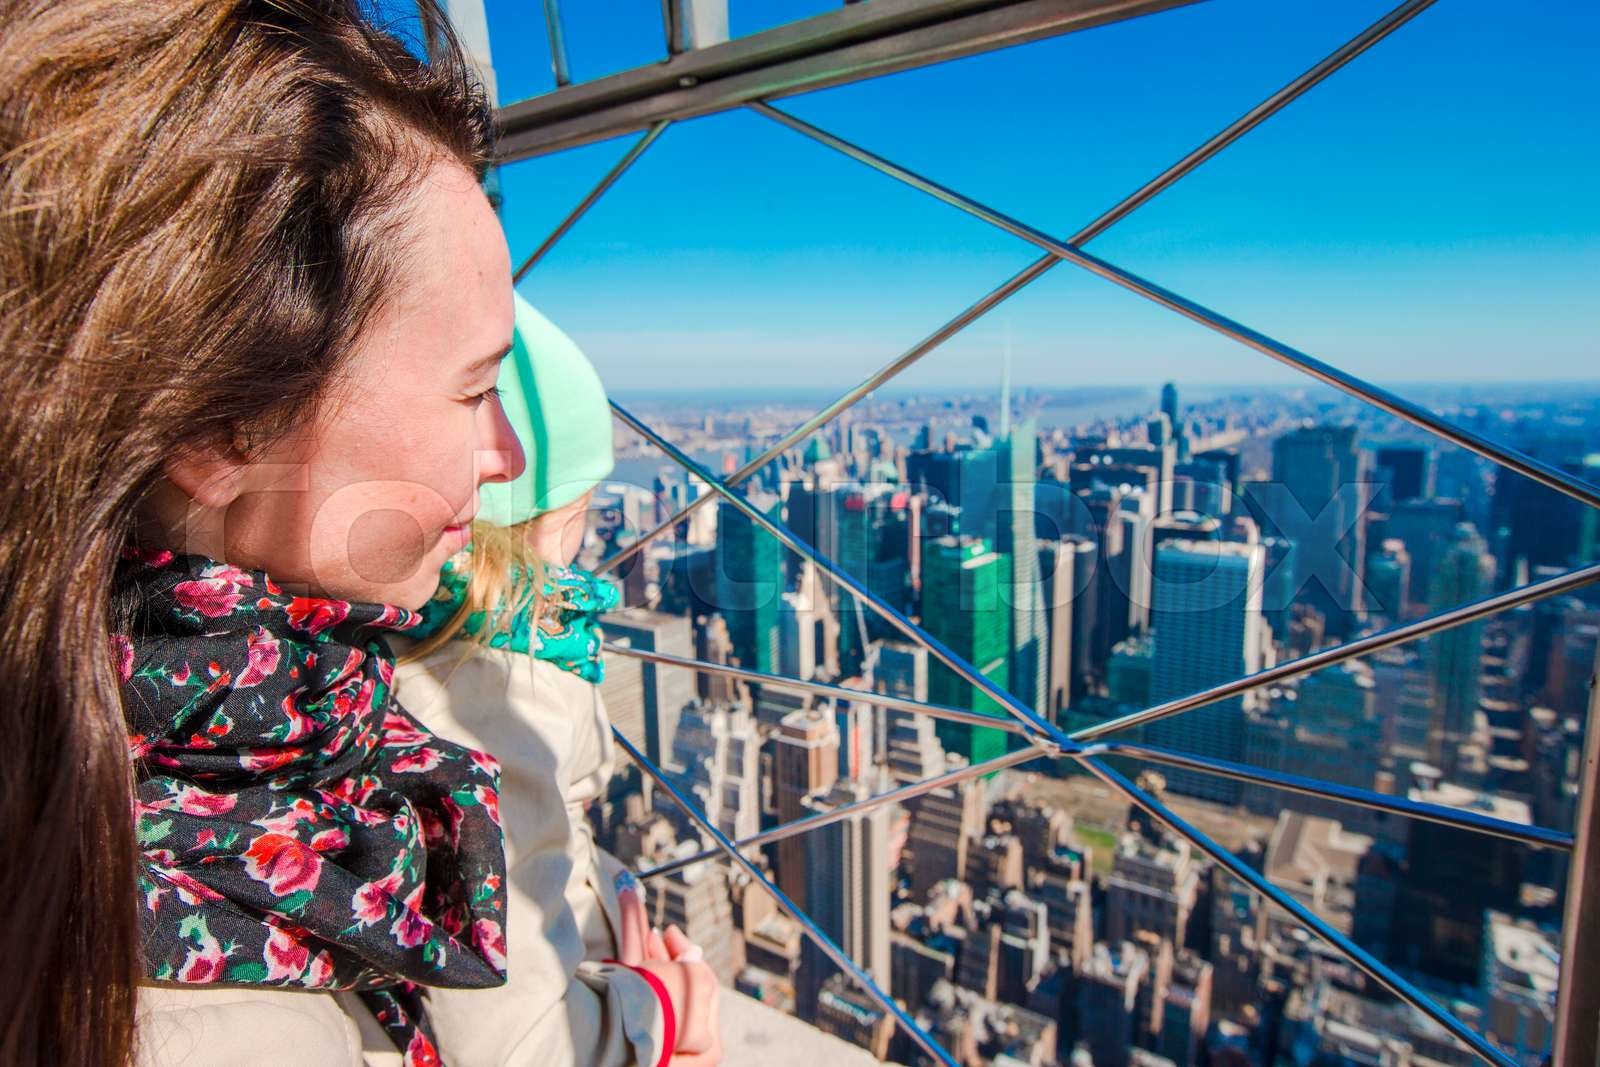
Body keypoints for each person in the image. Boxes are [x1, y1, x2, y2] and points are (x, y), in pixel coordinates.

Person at [0, 3, 686, 1065]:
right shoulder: (199, 1014)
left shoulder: (216, 770)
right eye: (472, 392)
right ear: (220, 426)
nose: (505, 454)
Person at [394, 293, 723, 1066]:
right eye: (584, 503)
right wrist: (662, 1011)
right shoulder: (495, 699)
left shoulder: (406, 653)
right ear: (552, 518)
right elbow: (517, 1043)